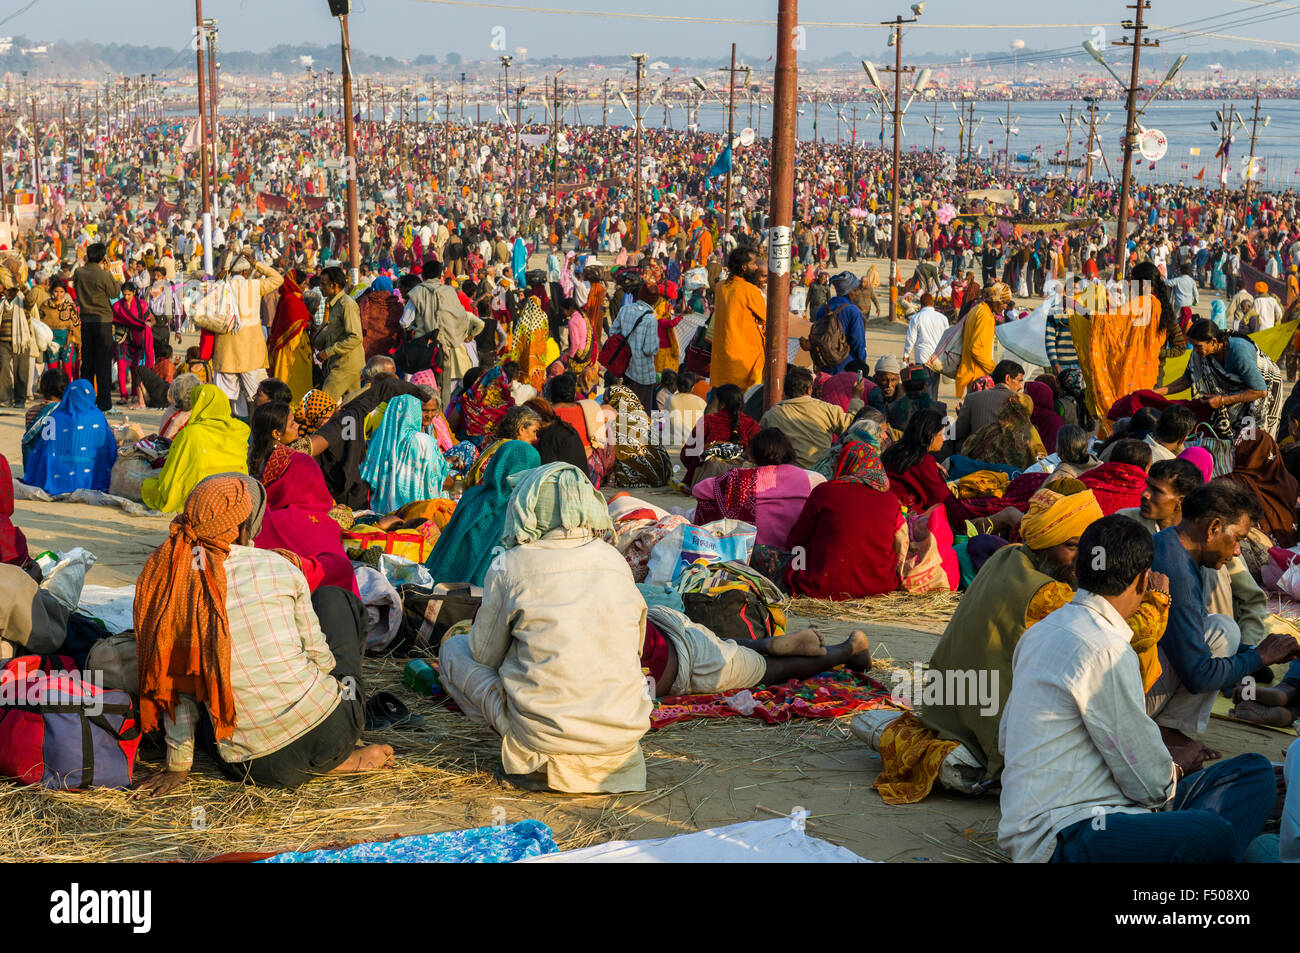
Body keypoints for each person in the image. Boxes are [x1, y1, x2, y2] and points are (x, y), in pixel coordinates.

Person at [998, 515, 1277, 863]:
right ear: (1145, 580)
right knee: (1210, 831)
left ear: (1078, 570)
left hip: (1096, 810)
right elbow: (1145, 780)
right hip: (1068, 832)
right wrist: (1174, 769)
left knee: (1253, 771)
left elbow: (1007, 738)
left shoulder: (1042, 630)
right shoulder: (1106, 649)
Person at [131, 475, 393, 795]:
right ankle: (339, 753)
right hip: (332, 731)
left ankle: (319, 759)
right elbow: (321, 659)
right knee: (337, 601)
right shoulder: (277, 565)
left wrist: (178, 768)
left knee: (204, 701)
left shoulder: (172, 586)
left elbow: (178, 692)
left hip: (254, 767)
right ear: (244, 527)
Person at [437, 463, 652, 793]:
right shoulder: (613, 561)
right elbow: (634, 650)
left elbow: (484, 655)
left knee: (454, 649)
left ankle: (525, 754)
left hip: (544, 739)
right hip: (620, 741)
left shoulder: (511, 563)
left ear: (528, 507)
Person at [919, 485, 1105, 785]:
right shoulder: (1047, 593)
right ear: (1045, 543)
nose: (1079, 559)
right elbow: (1122, 634)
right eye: (1071, 546)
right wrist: (1157, 598)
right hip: (987, 735)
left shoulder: (1006, 556)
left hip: (944, 709)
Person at [1148, 480, 1300, 745]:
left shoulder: (1171, 545)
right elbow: (1199, 676)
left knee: (1220, 629)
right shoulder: (1178, 573)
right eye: (1238, 539)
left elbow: (1188, 633)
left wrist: (1257, 652)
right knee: (1224, 630)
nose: (1238, 550)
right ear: (1213, 528)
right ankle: (1165, 730)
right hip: (1129, 697)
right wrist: (1259, 657)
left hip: (1132, 675)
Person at [784, 439, 903, 600]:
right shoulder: (891, 500)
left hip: (823, 587)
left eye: (839, 460)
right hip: (880, 587)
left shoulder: (825, 491)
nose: (833, 466)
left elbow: (796, 541)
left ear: (848, 463)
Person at [425, 439, 542, 586]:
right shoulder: (522, 513)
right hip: (485, 594)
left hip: (442, 583)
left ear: (497, 463)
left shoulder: (473, 496)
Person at [308, 371, 424, 509]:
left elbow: (350, 448)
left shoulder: (345, 422)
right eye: (322, 418)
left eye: (330, 414)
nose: (327, 420)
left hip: (354, 491)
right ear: (311, 421)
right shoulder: (333, 428)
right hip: (337, 496)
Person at [692, 428, 826, 547]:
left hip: (752, 555)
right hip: (797, 555)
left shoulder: (741, 478)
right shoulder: (811, 478)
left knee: (709, 503)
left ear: (754, 454)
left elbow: (698, 490)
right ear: (789, 452)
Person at [255, 447, 358, 595]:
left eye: (262, 476)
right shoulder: (331, 526)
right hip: (347, 612)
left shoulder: (271, 522)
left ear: (278, 481)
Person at [1157, 319, 1283, 439]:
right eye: (1193, 346)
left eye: (1198, 346)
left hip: (1264, 389)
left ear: (1213, 342)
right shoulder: (1203, 353)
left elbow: (1260, 391)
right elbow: (1187, 379)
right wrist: (1158, 392)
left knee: (1251, 438)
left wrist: (1223, 400)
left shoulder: (1239, 353)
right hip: (1239, 391)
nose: (1194, 350)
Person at [142, 385, 251, 513]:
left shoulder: (191, 433)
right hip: (236, 493)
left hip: (201, 496)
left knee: (148, 485)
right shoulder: (240, 430)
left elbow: (173, 473)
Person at [212, 250, 283, 418]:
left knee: (228, 394)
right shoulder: (254, 285)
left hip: (225, 347)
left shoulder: (222, 285)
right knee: (254, 392)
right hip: (249, 350)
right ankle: (254, 427)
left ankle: (232, 427)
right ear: (245, 272)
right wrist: (256, 264)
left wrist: (221, 276)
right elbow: (278, 279)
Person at [20, 377, 117, 495]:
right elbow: (109, 450)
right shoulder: (97, 417)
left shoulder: (55, 417)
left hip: (57, 477)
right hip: (89, 479)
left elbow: (42, 449)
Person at [360, 392, 452, 514]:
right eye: (422, 410)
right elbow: (443, 481)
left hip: (384, 513)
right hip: (418, 513)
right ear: (415, 412)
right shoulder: (424, 442)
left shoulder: (380, 437)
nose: (428, 415)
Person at [758, 366, 852, 469]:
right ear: (809, 390)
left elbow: (759, 445)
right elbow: (852, 429)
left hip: (787, 475)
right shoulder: (827, 409)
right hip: (821, 473)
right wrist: (856, 399)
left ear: (785, 390)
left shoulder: (771, 415)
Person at [710, 244, 768, 390]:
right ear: (743, 267)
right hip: (745, 361)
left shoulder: (720, 287)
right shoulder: (751, 291)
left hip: (722, 361)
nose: (756, 267)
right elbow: (765, 319)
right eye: (753, 264)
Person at [71, 242, 121, 412]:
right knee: (103, 364)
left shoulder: (79, 272)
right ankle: (105, 404)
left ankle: (86, 401)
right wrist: (108, 272)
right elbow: (114, 293)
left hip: (86, 320)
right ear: (102, 257)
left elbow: (76, 289)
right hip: (103, 321)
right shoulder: (103, 275)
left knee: (87, 364)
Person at [680, 383, 760, 485]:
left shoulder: (707, 421)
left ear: (721, 403)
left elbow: (688, 453)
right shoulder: (752, 425)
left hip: (707, 480)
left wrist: (694, 469)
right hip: (740, 482)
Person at [880, 409, 951, 513]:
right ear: (930, 435)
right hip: (904, 516)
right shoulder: (922, 461)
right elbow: (942, 498)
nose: (944, 439)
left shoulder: (894, 450)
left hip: (889, 508)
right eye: (941, 435)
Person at [605, 382, 673, 488]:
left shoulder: (617, 421)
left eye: (607, 400)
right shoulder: (643, 416)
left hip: (637, 479)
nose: (606, 404)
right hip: (663, 474)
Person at [313, 266, 365, 402]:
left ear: (334, 285)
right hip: (343, 363)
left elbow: (355, 337)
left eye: (323, 284)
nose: (320, 287)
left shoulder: (346, 305)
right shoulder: (334, 304)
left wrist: (328, 352)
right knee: (352, 408)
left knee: (322, 404)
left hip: (345, 365)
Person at [959, 392, 1045, 470]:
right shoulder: (1030, 433)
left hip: (982, 480)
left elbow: (966, 451)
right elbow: (1042, 465)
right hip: (1018, 483)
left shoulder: (989, 429)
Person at [953, 359, 1025, 447]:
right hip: (1008, 457)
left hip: (977, 456)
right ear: (1007, 378)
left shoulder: (972, 398)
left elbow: (957, 433)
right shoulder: (1020, 401)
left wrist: (964, 415)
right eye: (1019, 381)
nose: (1021, 386)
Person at [268, 270, 314, 402]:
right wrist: (307, 325)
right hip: (292, 346)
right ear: (295, 283)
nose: (305, 286)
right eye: (303, 283)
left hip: (298, 344)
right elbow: (292, 324)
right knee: (292, 377)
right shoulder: (290, 299)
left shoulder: (293, 297)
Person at [807, 271, 867, 374]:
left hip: (825, 366)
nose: (858, 294)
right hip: (846, 367)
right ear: (848, 291)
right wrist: (862, 364)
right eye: (856, 290)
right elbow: (858, 343)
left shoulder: (823, 309)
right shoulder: (853, 311)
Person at [953, 283, 998, 399]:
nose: (1003, 307)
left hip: (970, 371)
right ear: (993, 301)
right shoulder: (985, 316)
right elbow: (976, 348)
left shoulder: (977, 309)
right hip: (977, 374)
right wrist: (992, 368)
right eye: (1002, 303)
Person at [903, 292, 948, 399]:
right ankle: (933, 411)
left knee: (924, 389)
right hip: (937, 358)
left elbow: (910, 339)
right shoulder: (942, 318)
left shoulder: (916, 318)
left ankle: (926, 411)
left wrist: (906, 355)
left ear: (921, 304)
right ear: (932, 303)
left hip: (922, 358)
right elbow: (947, 339)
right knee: (934, 388)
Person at [21, 368, 68, 469]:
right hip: (60, 469)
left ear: (43, 388)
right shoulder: (68, 413)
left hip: (37, 468)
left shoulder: (31, 412)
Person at [246, 400, 300, 478]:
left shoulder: (258, 455)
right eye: (292, 424)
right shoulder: (283, 459)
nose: (297, 425)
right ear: (276, 434)